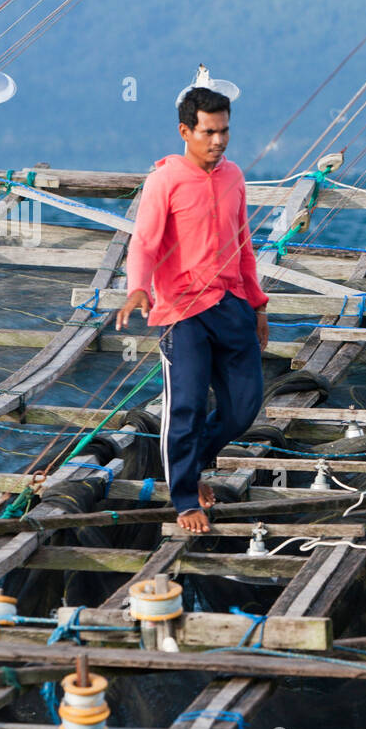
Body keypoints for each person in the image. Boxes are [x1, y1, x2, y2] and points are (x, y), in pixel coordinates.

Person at [115, 86, 269, 533]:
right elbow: (143, 242)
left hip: (232, 305)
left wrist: (257, 305)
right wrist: (138, 289)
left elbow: (244, 245)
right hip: (182, 313)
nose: (218, 141)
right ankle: (184, 498)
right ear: (186, 131)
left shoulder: (234, 176)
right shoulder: (164, 180)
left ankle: (198, 457)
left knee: (244, 407)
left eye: (224, 131)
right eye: (208, 132)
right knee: (185, 407)